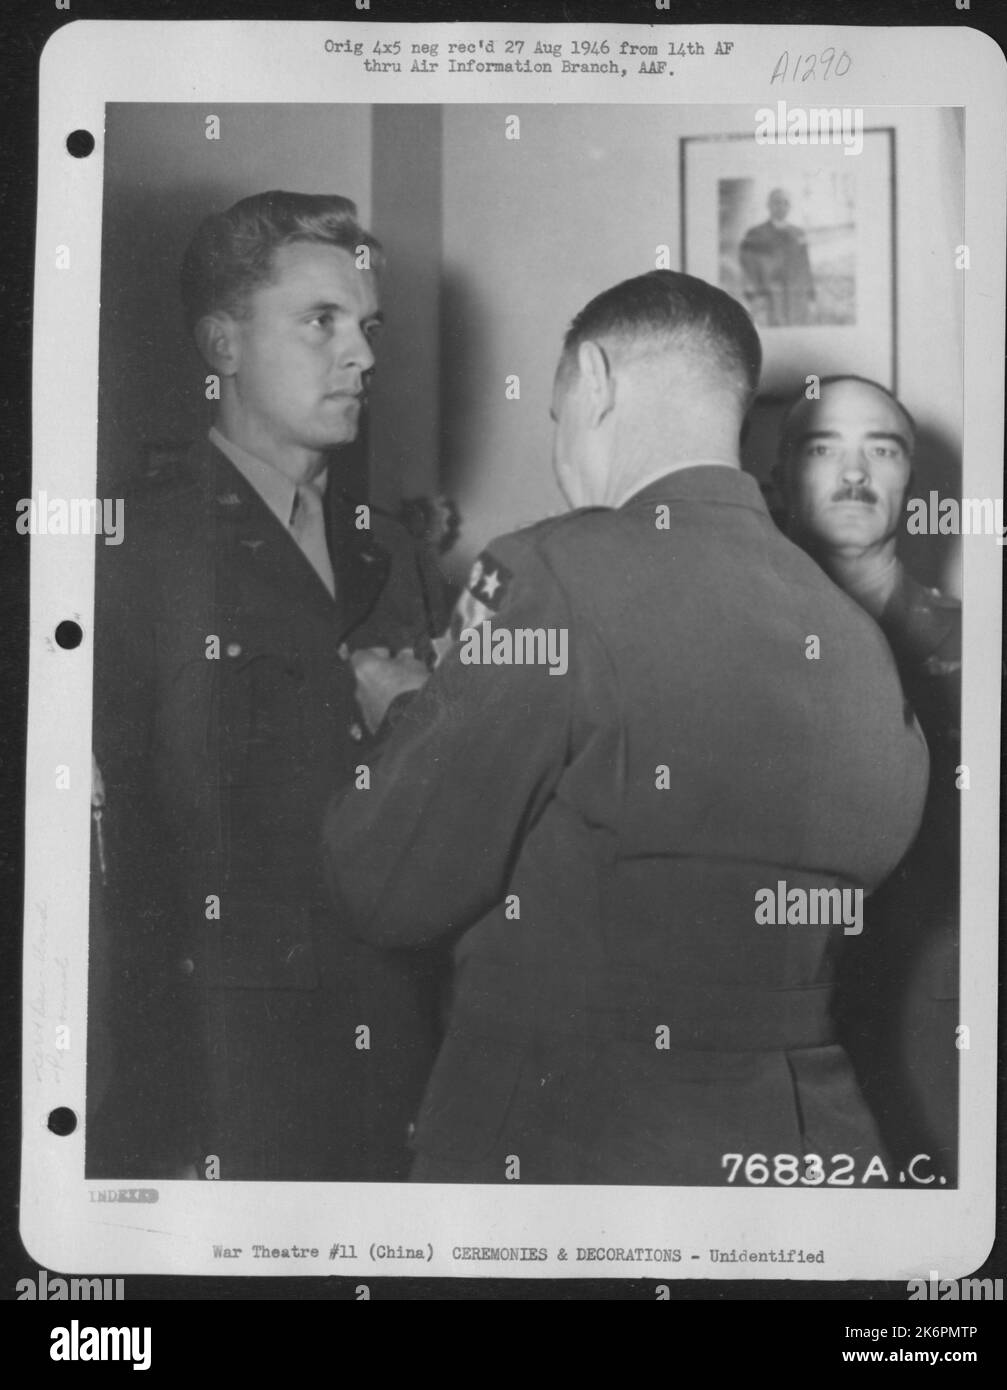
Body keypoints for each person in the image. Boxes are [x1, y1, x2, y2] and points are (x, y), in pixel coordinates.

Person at [322, 271, 929, 1185]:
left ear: (595, 380)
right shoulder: (854, 636)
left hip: (567, 1145)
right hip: (809, 1155)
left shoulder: (553, 573)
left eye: (557, 409)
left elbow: (384, 883)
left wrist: (405, 709)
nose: (560, 439)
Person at [88, 191, 448, 1181]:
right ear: (223, 345)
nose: (363, 355)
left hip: (395, 1045)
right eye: (321, 321)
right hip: (223, 1080)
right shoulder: (132, 551)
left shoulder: (392, 550)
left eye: (367, 327)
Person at [775, 375, 960, 1183]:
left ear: (907, 484)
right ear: (782, 478)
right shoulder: (732, 639)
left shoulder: (977, 651)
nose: (853, 475)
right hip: (769, 1012)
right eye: (823, 449)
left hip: (927, 1007)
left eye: (879, 451)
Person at [739, 188, 816, 328]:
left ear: (790, 207)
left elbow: (805, 266)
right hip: (768, 298)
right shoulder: (755, 233)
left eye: (785, 203)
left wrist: (810, 295)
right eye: (777, 202)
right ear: (768, 205)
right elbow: (747, 267)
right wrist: (753, 295)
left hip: (795, 299)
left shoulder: (798, 233)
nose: (781, 207)